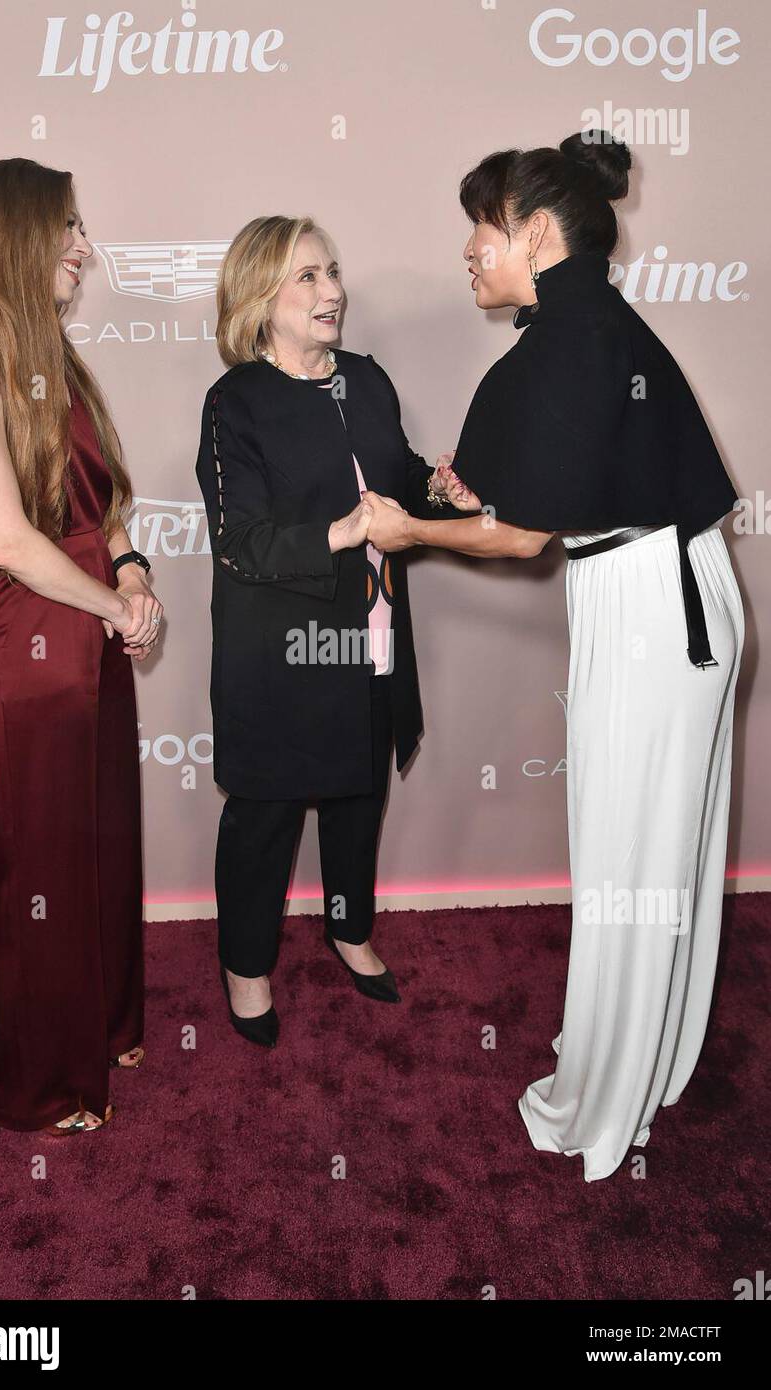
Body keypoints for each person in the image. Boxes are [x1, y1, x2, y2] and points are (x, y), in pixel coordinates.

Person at [364, 131, 744, 1181]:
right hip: (660, 589)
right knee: (652, 855)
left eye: (478, 232)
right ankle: (645, 1063)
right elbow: (532, 489)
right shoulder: (579, 331)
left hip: (650, 602)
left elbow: (521, 535)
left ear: (533, 231)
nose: (467, 254)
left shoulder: (568, 343)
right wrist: (460, 496)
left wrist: (409, 532)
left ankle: (602, 1104)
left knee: (632, 859)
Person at [195, 215, 531, 1047]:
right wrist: (341, 533)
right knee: (266, 816)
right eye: (306, 277)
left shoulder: (366, 379)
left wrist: (437, 489)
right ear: (257, 296)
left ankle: (349, 931)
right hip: (280, 657)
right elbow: (240, 540)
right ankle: (245, 968)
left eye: (332, 271)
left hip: (372, 635)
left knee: (356, 797)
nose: (332, 291)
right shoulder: (235, 401)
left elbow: (397, 476)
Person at [0, 159, 163, 1133]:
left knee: (98, 832)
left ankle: (102, 1022)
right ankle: (42, 1079)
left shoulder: (48, 350)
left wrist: (132, 576)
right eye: (66, 229)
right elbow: (10, 540)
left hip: (90, 614)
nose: (83, 247)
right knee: (43, 860)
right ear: (15, 235)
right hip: (27, 637)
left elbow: (113, 499)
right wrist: (109, 601)